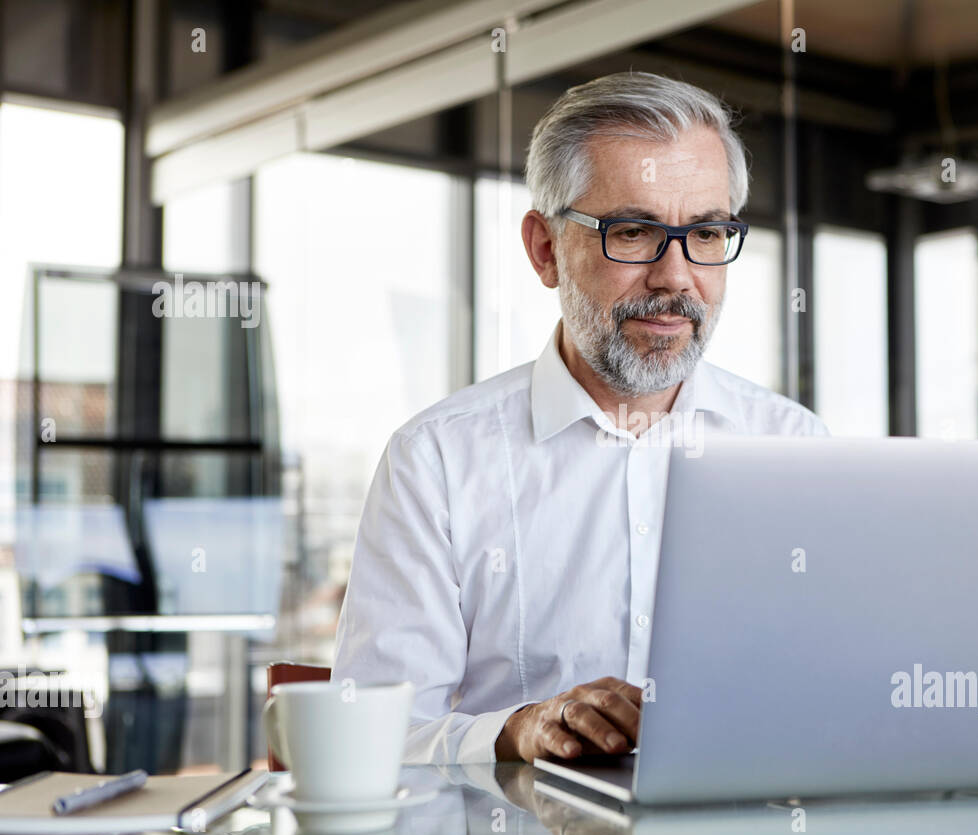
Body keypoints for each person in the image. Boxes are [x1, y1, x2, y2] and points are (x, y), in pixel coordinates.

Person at [333, 71, 828, 766]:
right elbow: (369, 738)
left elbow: (834, 700)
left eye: (708, 233)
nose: (676, 277)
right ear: (545, 250)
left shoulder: (797, 450)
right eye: (633, 230)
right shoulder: (437, 461)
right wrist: (512, 731)